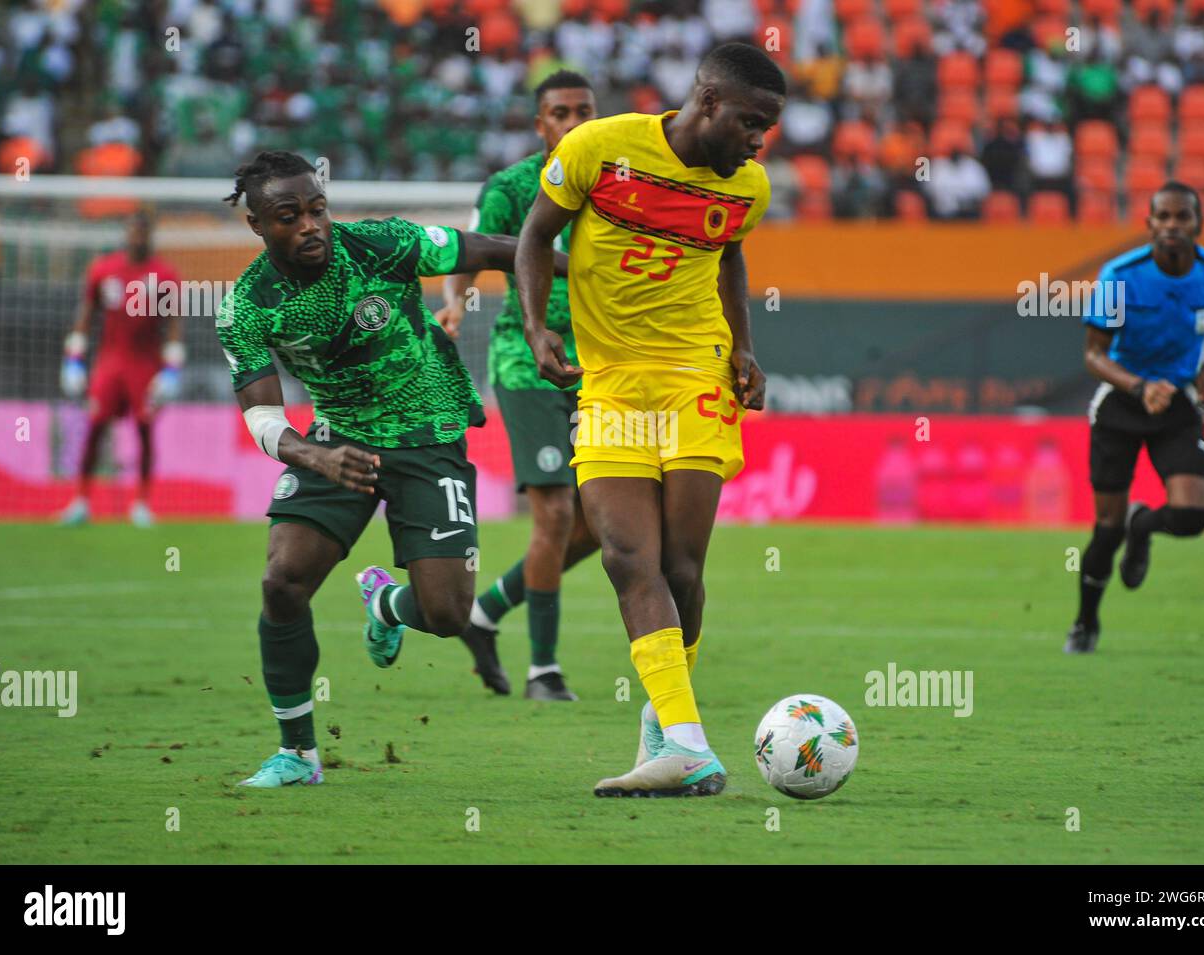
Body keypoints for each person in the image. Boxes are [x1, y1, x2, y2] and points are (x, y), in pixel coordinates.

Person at [215, 151, 565, 787]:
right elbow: (263, 418)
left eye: (317, 209)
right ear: (258, 225)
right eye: (288, 216)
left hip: (428, 432)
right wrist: (312, 452)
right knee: (282, 583)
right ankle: (297, 754)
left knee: (449, 615)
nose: (310, 226)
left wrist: (584, 268)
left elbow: (486, 249)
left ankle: (386, 603)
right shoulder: (247, 306)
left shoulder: (381, 244)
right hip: (338, 440)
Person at [516, 42, 780, 796]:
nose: (759, 141)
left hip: (696, 375)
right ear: (708, 103)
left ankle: (666, 734)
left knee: (681, 569)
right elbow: (536, 236)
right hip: (611, 383)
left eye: (768, 127)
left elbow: (728, 252)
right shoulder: (599, 147)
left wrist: (745, 350)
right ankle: (688, 744)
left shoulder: (748, 187)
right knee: (625, 556)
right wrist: (539, 329)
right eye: (751, 122)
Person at [435, 70, 601, 701]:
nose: (574, 121)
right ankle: (544, 671)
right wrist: (455, 305)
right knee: (555, 512)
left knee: (597, 526)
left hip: (600, 363)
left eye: (585, 110)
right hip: (525, 356)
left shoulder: (619, 188)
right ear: (541, 125)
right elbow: (470, 252)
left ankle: (484, 615)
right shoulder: (511, 187)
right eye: (560, 112)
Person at [1069, 181, 1204, 654]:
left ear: (1198, 224)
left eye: (1181, 217)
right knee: (1105, 530)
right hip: (1121, 402)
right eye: (1163, 218)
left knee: (1192, 517)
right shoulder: (1119, 276)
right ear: (1149, 223)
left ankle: (1143, 527)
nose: (1172, 226)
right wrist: (1138, 385)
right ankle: (1085, 623)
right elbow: (1093, 355)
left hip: (1176, 403)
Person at [59, 209, 182, 527]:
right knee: (95, 425)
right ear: (125, 235)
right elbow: (87, 314)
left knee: (144, 429)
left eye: (142, 233)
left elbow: (172, 325)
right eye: (132, 232)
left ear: (149, 237)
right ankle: (81, 500)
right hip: (110, 361)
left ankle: (141, 503)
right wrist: (73, 359)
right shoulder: (104, 270)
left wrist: (171, 368)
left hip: (145, 364)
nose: (137, 238)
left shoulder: (164, 276)